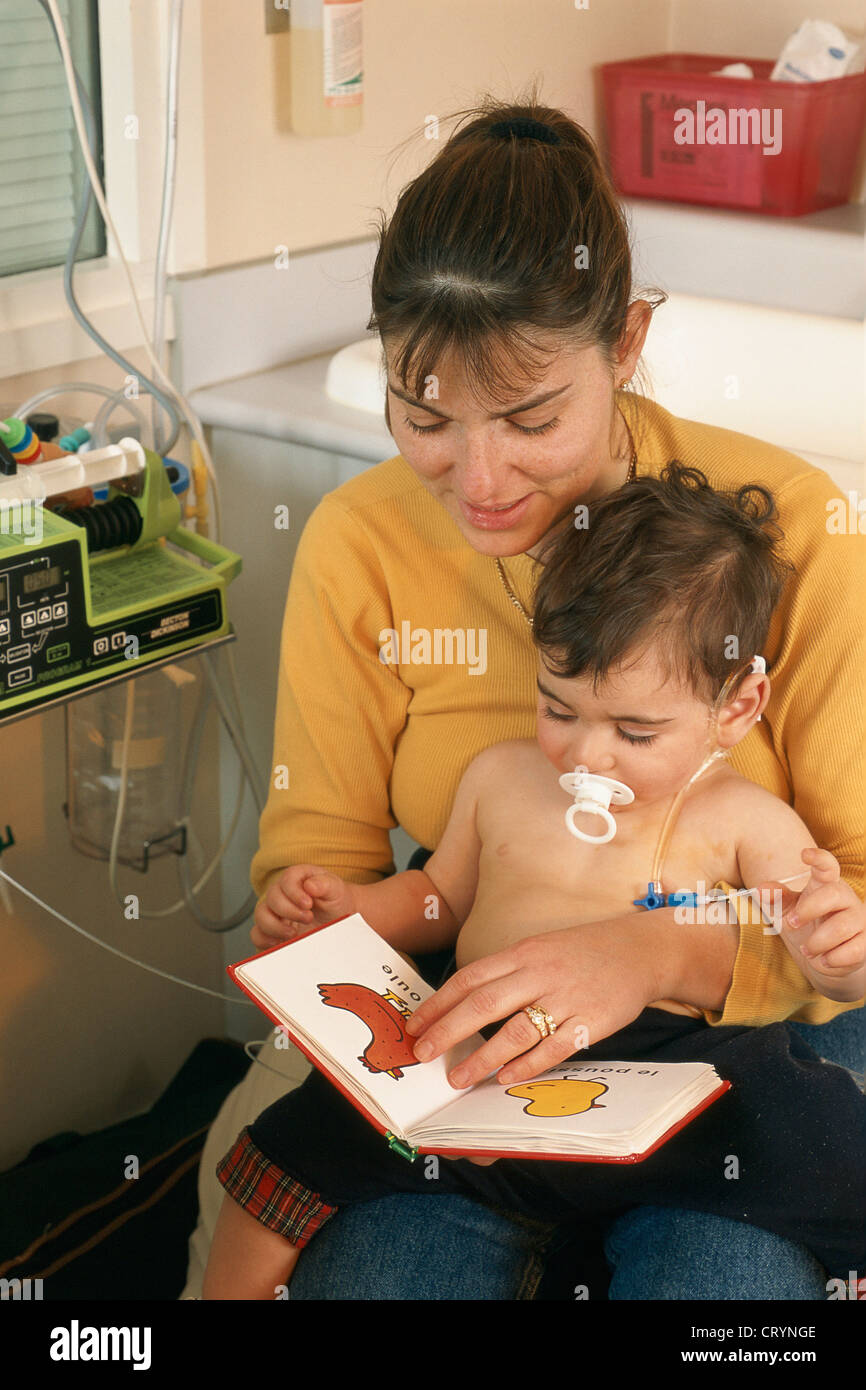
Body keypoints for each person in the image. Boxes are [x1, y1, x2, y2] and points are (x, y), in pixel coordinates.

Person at [195, 93, 865, 1300]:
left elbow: (847, 902)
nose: (480, 478)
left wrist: (652, 950)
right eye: (424, 416)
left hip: (741, 1038)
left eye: (529, 415)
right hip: (465, 1028)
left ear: (624, 341)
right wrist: (317, 925)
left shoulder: (787, 532)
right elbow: (333, 866)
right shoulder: (357, 541)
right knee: (331, 1246)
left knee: (726, 1291)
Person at [202, 463, 866, 1299]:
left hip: (666, 1079)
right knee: (284, 1146)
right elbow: (437, 900)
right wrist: (350, 911)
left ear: (735, 707)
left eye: (635, 729)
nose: (588, 754)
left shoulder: (742, 818)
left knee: (824, 1129)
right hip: (474, 1068)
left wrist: (838, 949)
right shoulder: (500, 778)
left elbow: (815, 962)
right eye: (560, 708)